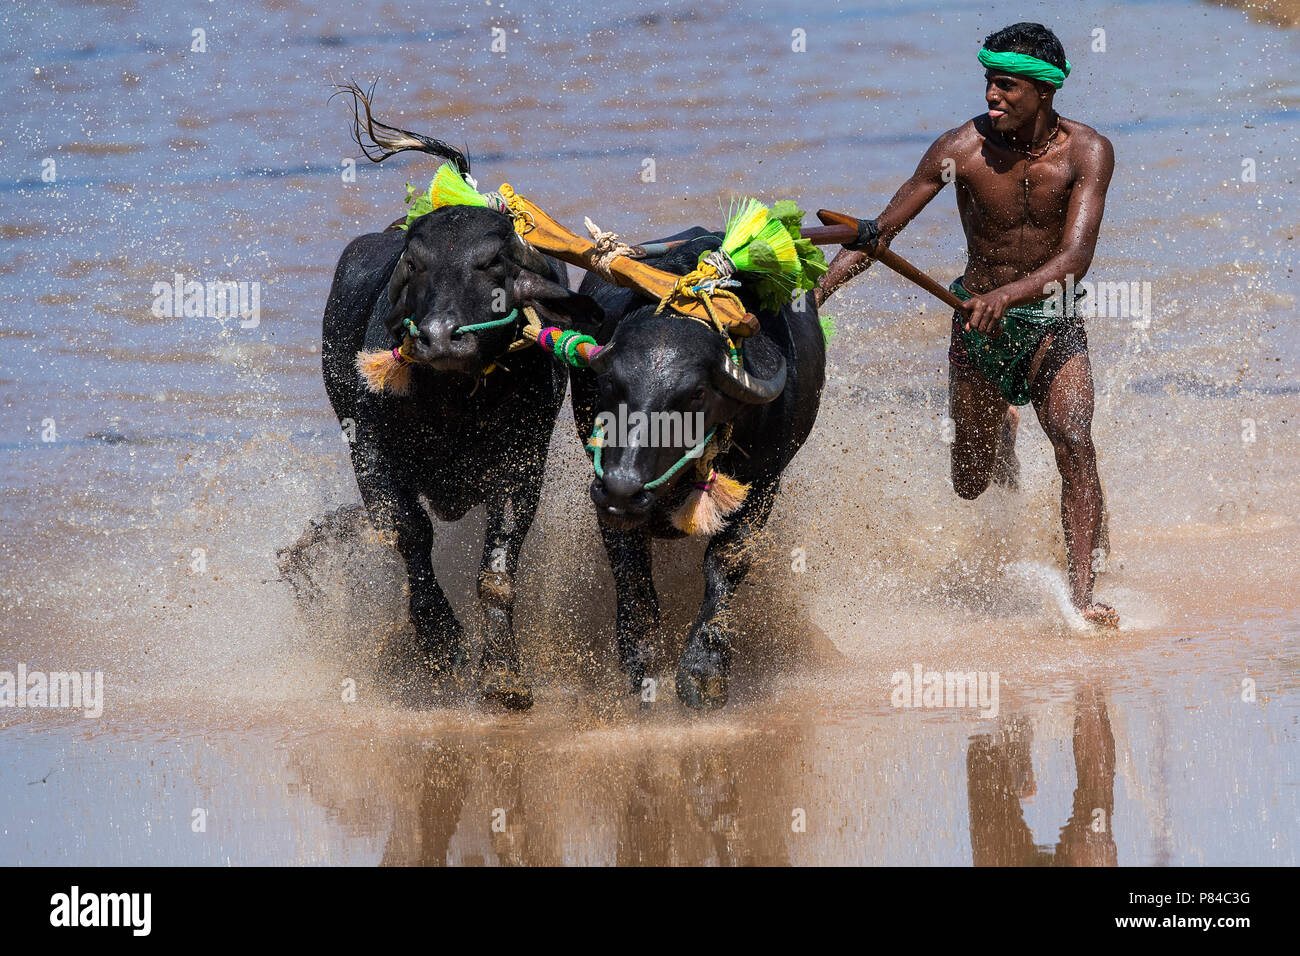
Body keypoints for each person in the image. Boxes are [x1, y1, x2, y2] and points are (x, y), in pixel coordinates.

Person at [817, 22, 1118, 626]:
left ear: (1044, 91)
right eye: (988, 83)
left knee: (1074, 439)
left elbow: (1075, 259)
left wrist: (1011, 294)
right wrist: (815, 294)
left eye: (1005, 86)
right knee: (971, 482)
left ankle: (1084, 598)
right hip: (976, 325)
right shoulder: (960, 150)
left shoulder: (1089, 151)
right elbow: (879, 233)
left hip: (1051, 321)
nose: (991, 96)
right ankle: (1003, 426)